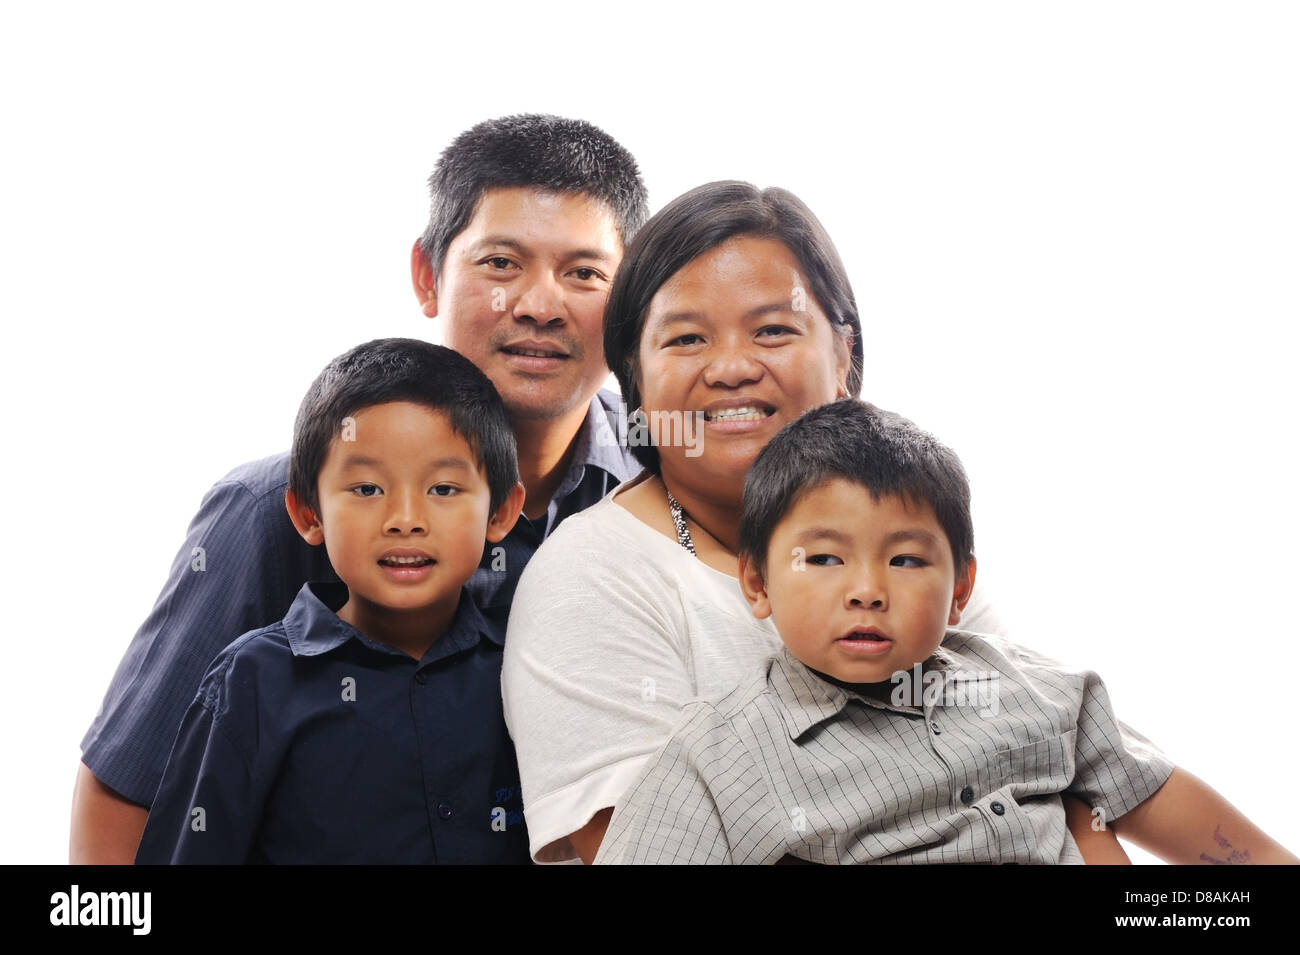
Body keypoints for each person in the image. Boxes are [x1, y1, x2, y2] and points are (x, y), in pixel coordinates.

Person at [72, 115, 648, 863]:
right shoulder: (269, 515)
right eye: (501, 263)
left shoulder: (664, 489)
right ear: (427, 274)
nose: (540, 304)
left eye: (584, 273)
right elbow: (124, 794)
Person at [502, 180, 1088, 863]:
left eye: (773, 330)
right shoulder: (591, 580)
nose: (731, 368)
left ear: (844, 356)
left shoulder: (911, 539)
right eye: (687, 337)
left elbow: (1049, 779)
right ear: (635, 377)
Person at [595, 399, 1299, 864]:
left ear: (959, 588)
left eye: (905, 559)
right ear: (757, 582)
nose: (867, 589)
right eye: (826, 557)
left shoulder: (1041, 695)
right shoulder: (720, 758)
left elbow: (1211, 838)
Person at [136, 339, 530, 863]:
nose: (405, 518)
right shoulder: (252, 684)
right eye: (367, 489)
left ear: (501, 512)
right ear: (309, 515)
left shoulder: (524, 667)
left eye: (443, 489)